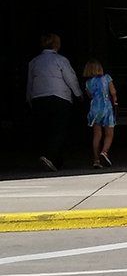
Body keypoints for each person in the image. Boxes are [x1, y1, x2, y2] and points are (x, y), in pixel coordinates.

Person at [26, 33, 83, 172]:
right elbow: (70, 78)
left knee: (44, 129)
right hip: (59, 97)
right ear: (57, 44)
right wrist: (78, 94)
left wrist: (29, 98)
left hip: (39, 98)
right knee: (59, 129)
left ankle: (51, 158)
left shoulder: (34, 62)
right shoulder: (61, 60)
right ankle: (51, 156)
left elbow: (30, 82)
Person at [82, 59, 118, 169]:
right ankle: (104, 151)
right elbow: (113, 92)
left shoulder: (88, 83)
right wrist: (115, 100)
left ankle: (96, 159)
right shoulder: (107, 78)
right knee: (109, 133)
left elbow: (90, 96)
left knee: (97, 135)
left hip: (94, 109)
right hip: (106, 107)